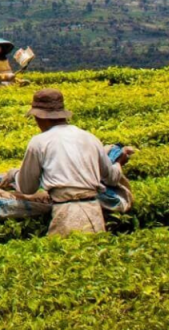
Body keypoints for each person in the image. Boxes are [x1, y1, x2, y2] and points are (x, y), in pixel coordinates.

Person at [14, 89, 132, 236]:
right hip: (94, 211)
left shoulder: (39, 142)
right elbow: (112, 178)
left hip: (65, 213)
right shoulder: (90, 138)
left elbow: (27, 187)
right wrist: (119, 163)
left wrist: (15, 176)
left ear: (41, 117)